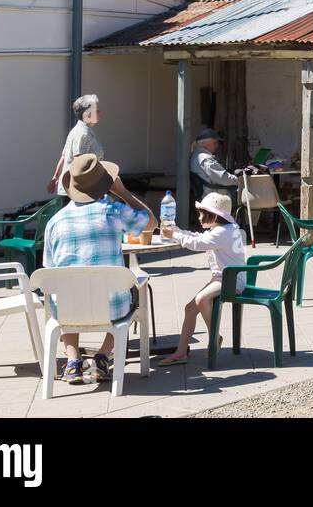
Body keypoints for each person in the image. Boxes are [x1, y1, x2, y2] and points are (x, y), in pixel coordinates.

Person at [42, 153, 157, 385]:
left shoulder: (55, 221)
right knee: (131, 289)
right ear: (105, 185)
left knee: (66, 289)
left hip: (67, 311)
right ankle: (103, 356)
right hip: (111, 308)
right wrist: (122, 192)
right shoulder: (113, 211)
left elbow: (49, 268)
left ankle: (73, 361)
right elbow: (152, 223)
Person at [156, 193, 248, 366]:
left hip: (231, 280)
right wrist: (177, 231)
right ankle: (181, 352)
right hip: (226, 277)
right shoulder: (226, 229)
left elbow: (197, 244)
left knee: (201, 299)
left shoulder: (222, 232)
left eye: (202, 213)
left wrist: (175, 235)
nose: (199, 217)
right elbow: (199, 237)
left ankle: (214, 337)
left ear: (214, 215)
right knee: (190, 308)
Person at [48, 94, 104, 196]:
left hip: (75, 189)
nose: (100, 113)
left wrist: (55, 178)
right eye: (96, 110)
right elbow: (79, 163)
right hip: (78, 191)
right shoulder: (83, 134)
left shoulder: (81, 130)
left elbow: (64, 157)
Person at [190, 128, 252, 200]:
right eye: (215, 143)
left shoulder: (197, 155)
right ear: (206, 144)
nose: (217, 146)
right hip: (216, 196)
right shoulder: (205, 158)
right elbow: (224, 179)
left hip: (210, 193)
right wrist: (241, 180)